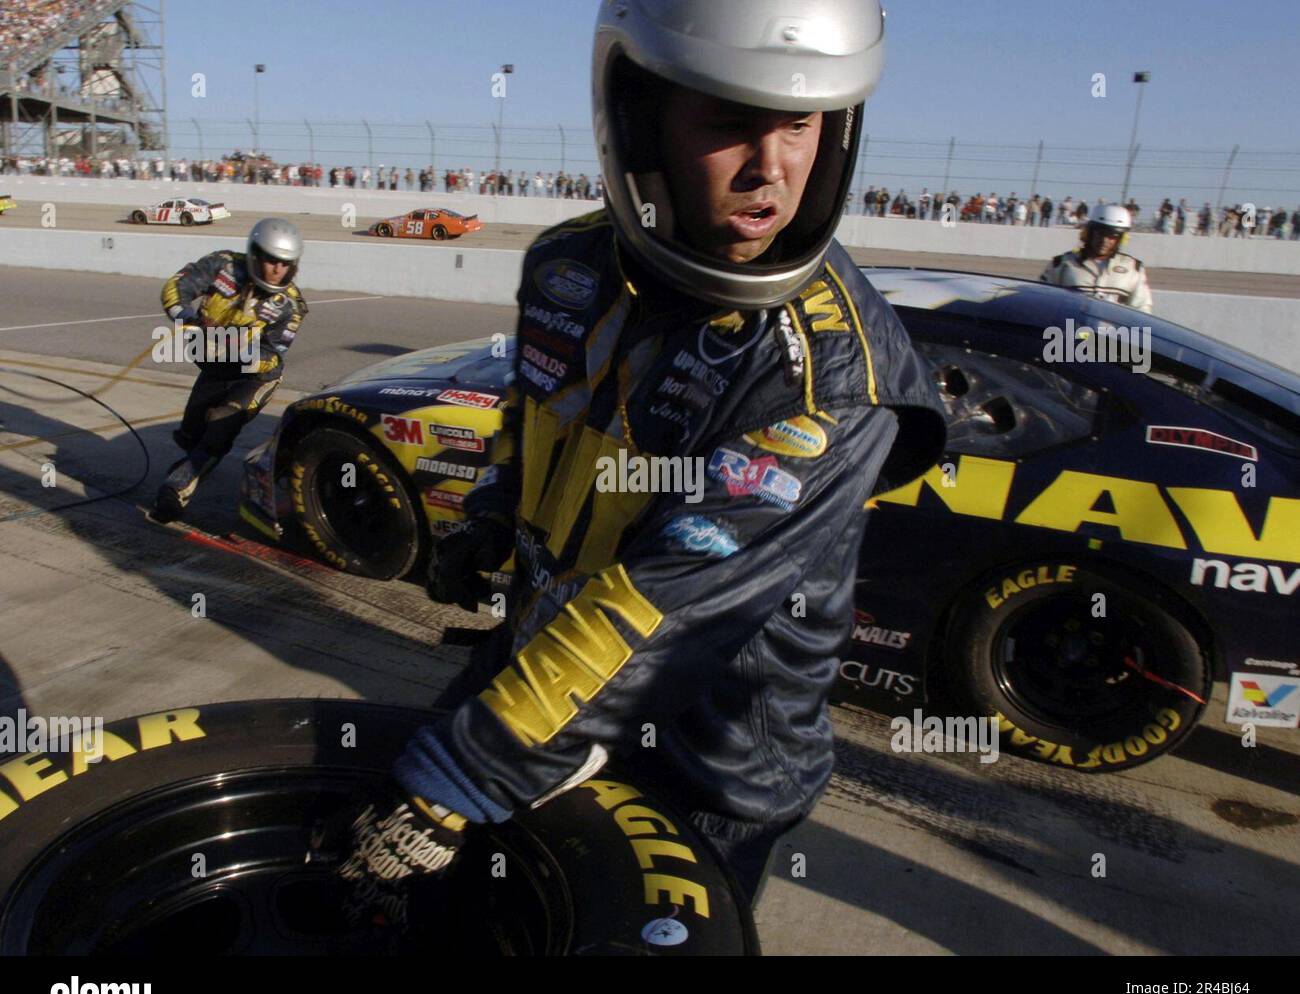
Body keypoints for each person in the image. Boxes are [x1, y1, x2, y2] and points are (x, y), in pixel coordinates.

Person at [339, 0, 947, 917]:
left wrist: (465, 774)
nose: (769, 169)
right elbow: (535, 413)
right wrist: (493, 518)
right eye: (729, 122)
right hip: (546, 676)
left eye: (798, 126)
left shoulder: (833, 376)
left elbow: (671, 599)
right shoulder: (565, 264)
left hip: (711, 769)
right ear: (639, 116)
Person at [152, 219, 307, 522]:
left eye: (284, 264)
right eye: (270, 260)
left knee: (220, 428)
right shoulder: (221, 265)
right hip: (213, 369)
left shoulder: (290, 306)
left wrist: (230, 345)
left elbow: (272, 355)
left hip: (255, 377)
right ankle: (194, 460)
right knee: (189, 435)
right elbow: (174, 288)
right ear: (254, 253)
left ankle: (174, 492)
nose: (277, 269)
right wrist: (188, 318)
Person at [1039, 202, 1153, 313]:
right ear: (1089, 233)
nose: (1104, 241)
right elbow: (1041, 302)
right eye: (1100, 233)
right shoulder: (1061, 264)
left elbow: (1143, 311)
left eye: (1112, 236)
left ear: (1121, 239)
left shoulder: (1134, 269)